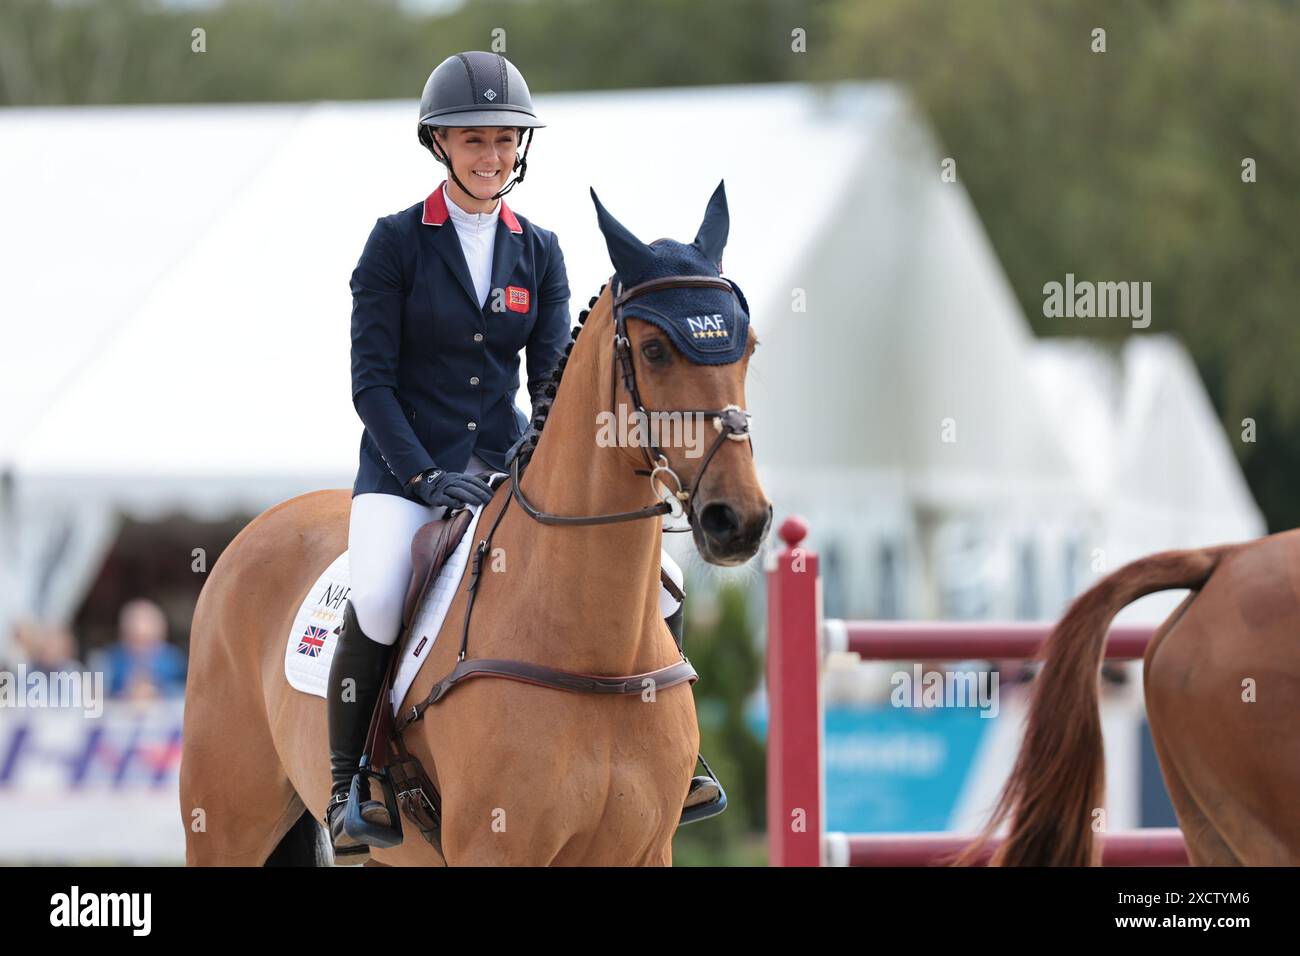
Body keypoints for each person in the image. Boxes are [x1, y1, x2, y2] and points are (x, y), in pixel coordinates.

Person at [326, 51, 706, 862]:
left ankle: (676, 759)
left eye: (504, 139)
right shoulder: (394, 244)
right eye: (473, 140)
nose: (491, 155)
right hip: (405, 474)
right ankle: (354, 779)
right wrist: (425, 475)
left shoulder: (540, 250)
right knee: (384, 595)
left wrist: (531, 464)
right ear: (438, 144)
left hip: (505, 473)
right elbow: (372, 385)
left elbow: (554, 387)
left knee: (665, 584)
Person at [103, 599, 187, 700]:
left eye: (148, 642)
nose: (142, 650)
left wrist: (159, 692)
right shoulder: (112, 660)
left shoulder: (174, 661)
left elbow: (184, 692)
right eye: (136, 640)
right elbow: (103, 694)